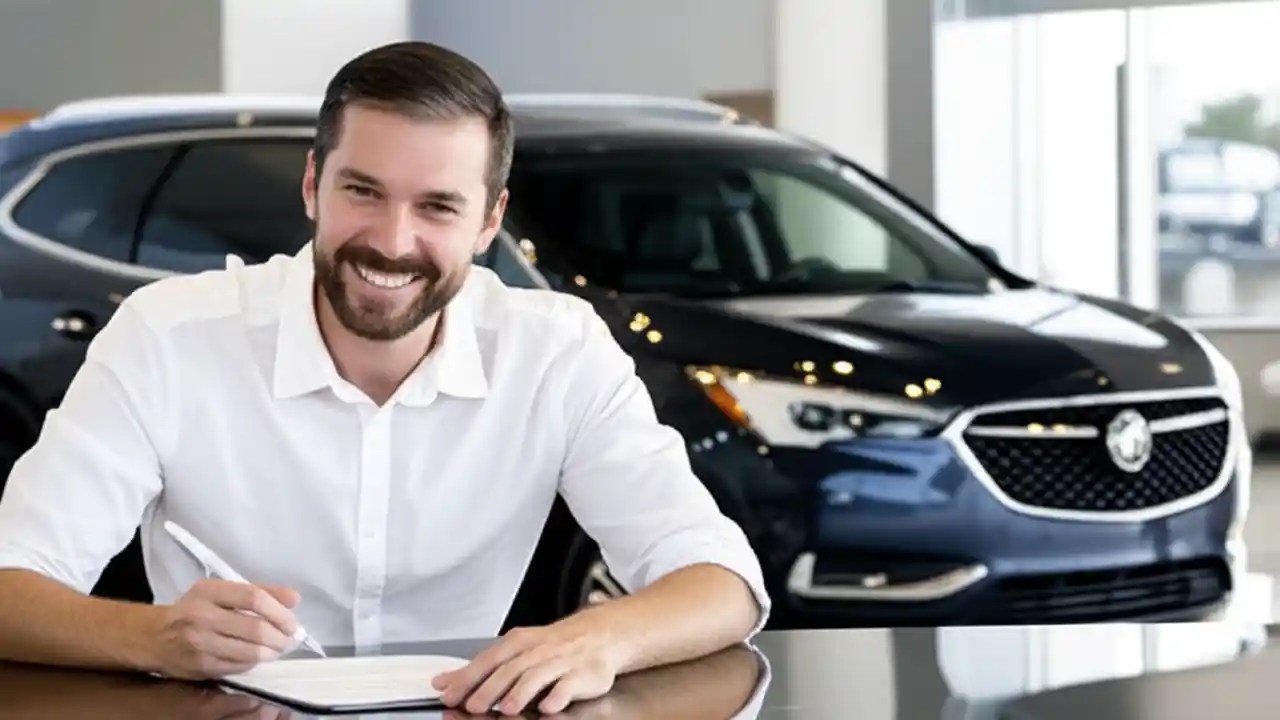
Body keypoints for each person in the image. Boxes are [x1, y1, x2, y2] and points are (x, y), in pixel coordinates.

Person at [0, 41, 768, 716]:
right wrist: (155, 636)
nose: (393, 242)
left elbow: (724, 582)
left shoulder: (557, 352)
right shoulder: (167, 338)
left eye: (438, 206)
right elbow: (11, 587)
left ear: (490, 221)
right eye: (362, 192)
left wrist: (601, 637)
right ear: (312, 185)